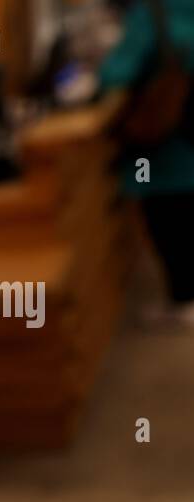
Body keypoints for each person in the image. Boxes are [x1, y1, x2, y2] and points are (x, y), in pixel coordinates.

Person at [100, 0, 194, 322]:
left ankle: (183, 298)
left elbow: (115, 74)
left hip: (158, 146)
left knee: (155, 205)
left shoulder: (151, 15)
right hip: (188, 135)